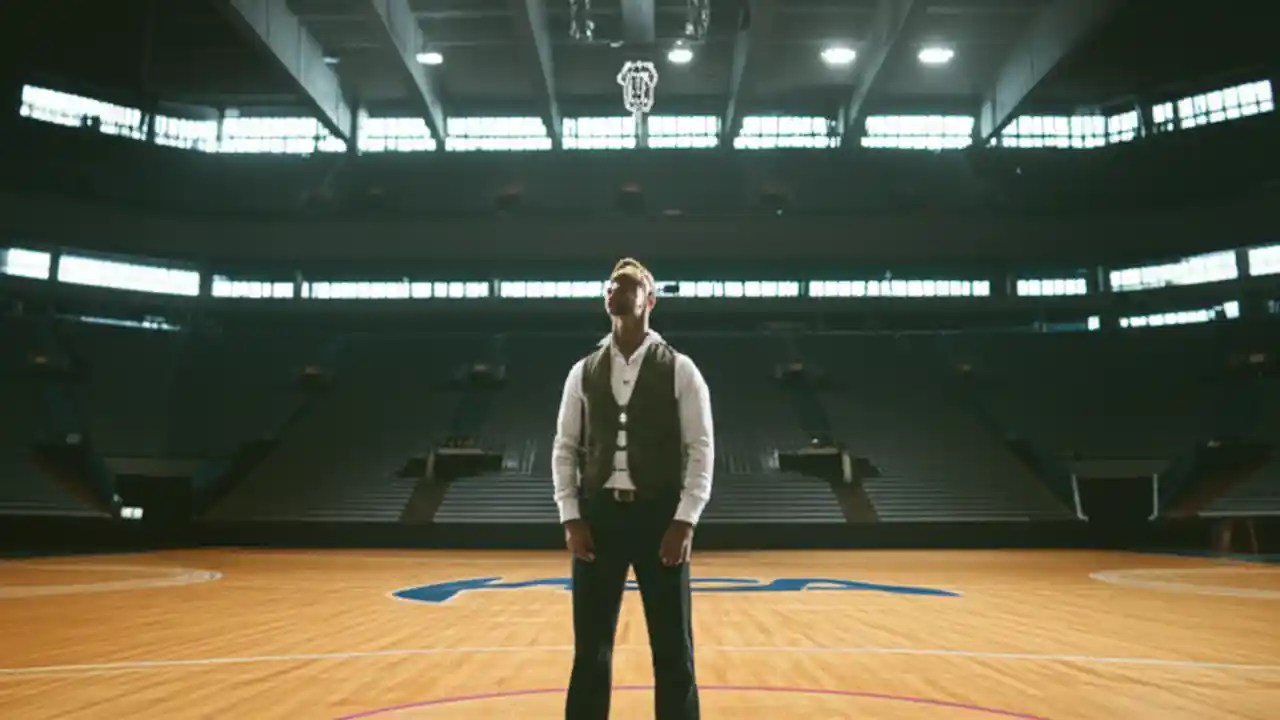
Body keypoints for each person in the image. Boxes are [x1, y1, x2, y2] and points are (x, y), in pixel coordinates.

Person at [551, 258, 714, 720]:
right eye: (609, 285)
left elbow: (701, 448)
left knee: (672, 647)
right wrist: (571, 515)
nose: (614, 290)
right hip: (599, 517)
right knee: (591, 648)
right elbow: (564, 448)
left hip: (660, 516)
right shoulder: (582, 371)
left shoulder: (681, 369)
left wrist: (685, 519)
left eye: (627, 284)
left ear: (650, 299)